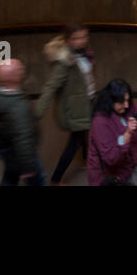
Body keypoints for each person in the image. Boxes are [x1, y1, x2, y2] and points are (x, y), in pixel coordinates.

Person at [34, 23, 97, 186]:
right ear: (67, 40)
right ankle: (56, 179)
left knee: (85, 130)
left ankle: (85, 159)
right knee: (74, 142)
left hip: (86, 100)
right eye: (76, 38)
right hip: (75, 108)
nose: (81, 41)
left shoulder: (84, 53)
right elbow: (51, 86)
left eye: (84, 36)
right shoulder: (64, 62)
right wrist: (37, 112)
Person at [0, 59, 46, 186]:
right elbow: (23, 136)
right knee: (38, 180)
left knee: (10, 175)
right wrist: (28, 167)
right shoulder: (18, 107)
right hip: (22, 152)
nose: (23, 69)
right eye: (19, 69)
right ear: (12, 78)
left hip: (7, 146)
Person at [87, 79, 137, 186]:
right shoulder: (100, 122)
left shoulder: (127, 107)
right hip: (109, 177)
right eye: (122, 102)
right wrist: (128, 134)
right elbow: (110, 158)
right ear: (110, 101)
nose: (127, 105)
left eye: (128, 100)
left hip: (130, 168)